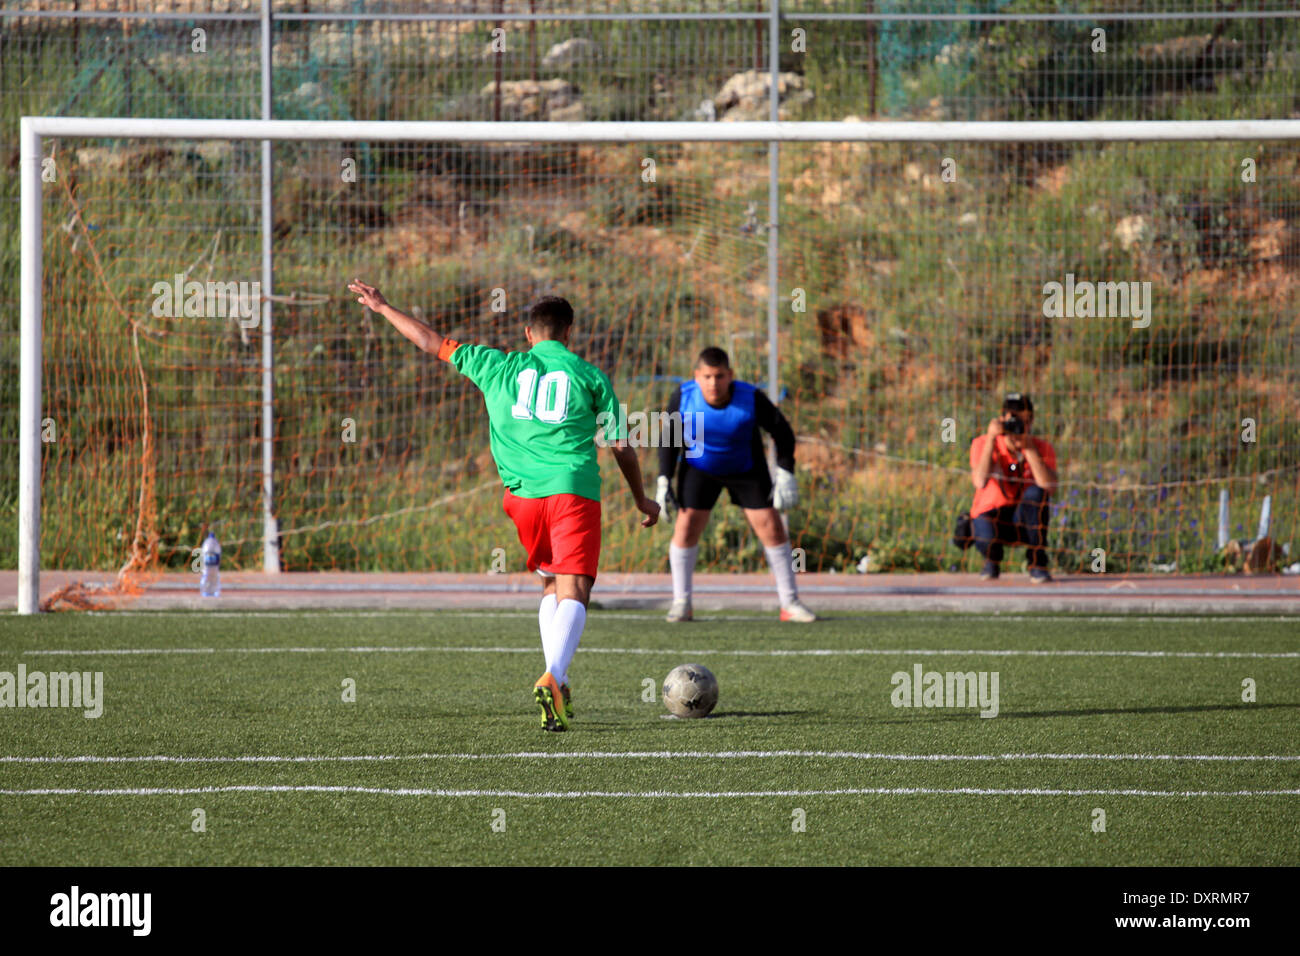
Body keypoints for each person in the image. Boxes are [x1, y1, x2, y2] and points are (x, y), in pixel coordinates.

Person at [348, 281, 660, 731]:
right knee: (576, 588)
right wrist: (639, 497)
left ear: (528, 334)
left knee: (551, 584)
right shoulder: (591, 377)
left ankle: (559, 679)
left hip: (522, 498)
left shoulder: (495, 363)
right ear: (568, 333)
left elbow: (429, 341)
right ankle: (556, 676)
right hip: (573, 489)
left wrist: (383, 307)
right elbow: (620, 447)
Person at [655, 346, 815, 622]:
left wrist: (786, 472)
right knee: (686, 526)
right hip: (699, 467)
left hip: (745, 468)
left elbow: (783, 432)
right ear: (697, 376)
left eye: (719, 376)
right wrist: (663, 480)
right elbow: (668, 440)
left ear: (730, 375)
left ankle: (790, 603)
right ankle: (682, 603)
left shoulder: (750, 397)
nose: (713, 383)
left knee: (772, 527)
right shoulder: (683, 396)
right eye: (706, 376)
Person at [968, 392, 1058, 583]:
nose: (1017, 426)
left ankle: (1037, 562)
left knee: (1036, 493)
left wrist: (1028, 447)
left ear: (1031, 422)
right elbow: (979, 481)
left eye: (1024, 421)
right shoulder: (982, 443)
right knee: (986, 536)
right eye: (1013, 420)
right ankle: (991, 560)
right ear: (1001, 420)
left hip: (1023, 519)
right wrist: (992, 439)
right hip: (993, 516)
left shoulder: (1041, 448)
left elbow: (1049, 488)